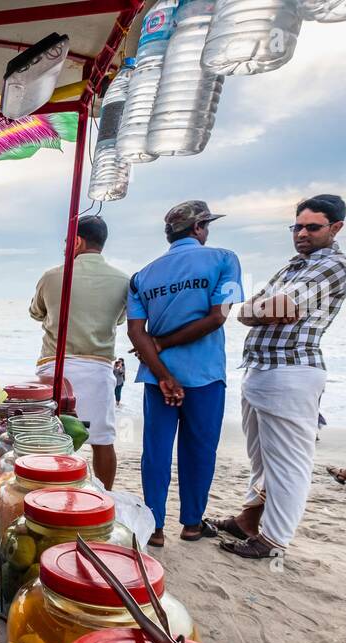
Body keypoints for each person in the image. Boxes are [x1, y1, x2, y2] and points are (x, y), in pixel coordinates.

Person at [215, 194, 346, 560]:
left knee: (288, 461)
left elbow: (281, 306)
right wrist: (261, 310)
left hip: (291, 369)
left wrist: (261, 309)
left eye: (312, 227)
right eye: (297, 226)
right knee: (261, 458)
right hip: (262, 368)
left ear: (335, 227)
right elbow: (245, 311)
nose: (302, 233)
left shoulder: (334, 265)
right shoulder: (294, 266)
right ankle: (249, 519)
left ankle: (273, 539)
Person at [126, 200, 243, 547]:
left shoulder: (142, 275)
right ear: (198, 228)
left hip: (155, 377)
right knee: (200, 449)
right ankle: (191, 523)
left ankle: (155, 527)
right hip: (205, 373)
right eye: (206, 226)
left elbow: (136, 333)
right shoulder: (225, 259)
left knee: (156, 451)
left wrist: (162, 371)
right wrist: (163, 344)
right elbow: (218, 317)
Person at [29, 214, 129, 489]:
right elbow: (120, 319)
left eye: (66, 242)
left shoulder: (52, 276)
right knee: (103, 440)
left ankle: (50, 490)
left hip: (55, 366)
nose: (64, 247)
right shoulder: (123, 280)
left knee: (51, 436)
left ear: (77, 241)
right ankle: (104, 495)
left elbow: (36, 312)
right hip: (98, 368)